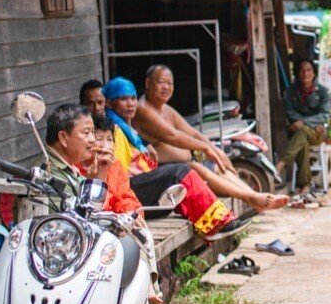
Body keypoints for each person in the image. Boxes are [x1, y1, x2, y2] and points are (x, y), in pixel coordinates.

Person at [43, 104, 191, 304]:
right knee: (131, 241)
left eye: (99, 135)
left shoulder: (71, 168)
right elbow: (79, 219)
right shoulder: (51, 172)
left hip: (84, 238)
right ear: (63, 137)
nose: (93, 141)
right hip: (65, 253)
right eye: (87, 133)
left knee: (135, 231)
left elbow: (103, 204)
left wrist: (103, 179)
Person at [101, 78, 246, 241]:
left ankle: (215, 221)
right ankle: (216, 223)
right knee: (178, 172)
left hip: (141, 191)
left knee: (183, 173)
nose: (130, 103)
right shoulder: (114, 129)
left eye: (133, 98)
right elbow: (117, 174)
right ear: (110, 103)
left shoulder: (129, 129)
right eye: (123, 99)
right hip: (127, 193)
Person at [131, 66, 288, 211]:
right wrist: (205, 148)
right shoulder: (143, 108)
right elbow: (172, 136)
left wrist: (217, 152)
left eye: (169, 83)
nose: (166, 87)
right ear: (148, 83)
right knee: (198, 168)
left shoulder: (165, 109)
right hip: (159, 172)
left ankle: (252, 195)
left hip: (179, 166)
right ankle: (248, 197)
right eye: (161, 82)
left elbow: (193, 133)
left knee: (219, 166)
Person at [275, 59, 331, 191]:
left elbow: (324, 115)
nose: (305, 73)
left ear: (314, 73)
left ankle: (281, 163)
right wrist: (305, 124)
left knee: (304, 130)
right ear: (297, 73)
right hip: (299, 133)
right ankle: (305, 184)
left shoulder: (323, 92)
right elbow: (290, 112)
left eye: (308, 70)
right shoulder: (290, 92)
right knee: (303, 142)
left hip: (318, 133)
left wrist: (304, 123)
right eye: (301, 70)